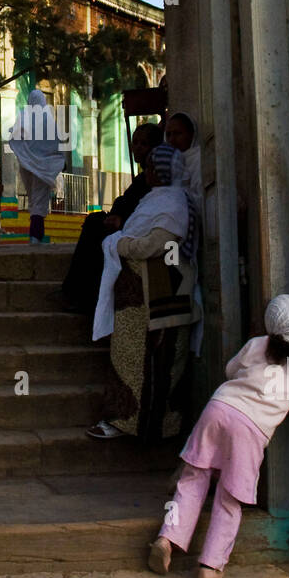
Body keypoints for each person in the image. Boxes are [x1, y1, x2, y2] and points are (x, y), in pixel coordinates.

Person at [148, 294, 289, 578]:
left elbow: (230, 371)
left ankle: (167, 539)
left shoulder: (257, 344)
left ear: (271, 325)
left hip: (219, 409)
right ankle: (210, 566)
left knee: (193, 479)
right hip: (250, 430)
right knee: (229, 498)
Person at [86, 143, 200, 440]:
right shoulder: (157, 199)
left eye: (151, 167)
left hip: (157, 297)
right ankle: (130, 421)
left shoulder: (173, 203)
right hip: (139, 299)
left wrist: (118, 244)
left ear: (162, 172)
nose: (146, 172)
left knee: (149, 362)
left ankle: (149, 426)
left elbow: (153, 245)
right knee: (130, 360)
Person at [62, 121, 164, 313]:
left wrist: (122, 221)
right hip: (125, 224)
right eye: (135, 143)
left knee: (95, 230)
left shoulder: (157, 176)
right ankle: (76, 293)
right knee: (94, 222)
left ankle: (81, 296)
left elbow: (149, 209)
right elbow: (126, 199)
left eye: (144, 144)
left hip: (136, 231)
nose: (138, 148)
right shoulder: (144, 176)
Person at [7, 88, 67, 243]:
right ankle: (36, 236)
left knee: (34, 199)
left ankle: (35, 235)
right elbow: (56, 144)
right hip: (43, 167)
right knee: (39, 200)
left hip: (27, 165)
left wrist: (25, 154)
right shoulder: (48, 120)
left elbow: (14, 135)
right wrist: (60, 160)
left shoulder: (24, 116)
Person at [165, 110, 203, 214]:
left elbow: (202, 200)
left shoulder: (200, 160)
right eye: (168, 135)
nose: (172, 139)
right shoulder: (167, 163)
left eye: (177, 133)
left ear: (192, 135)